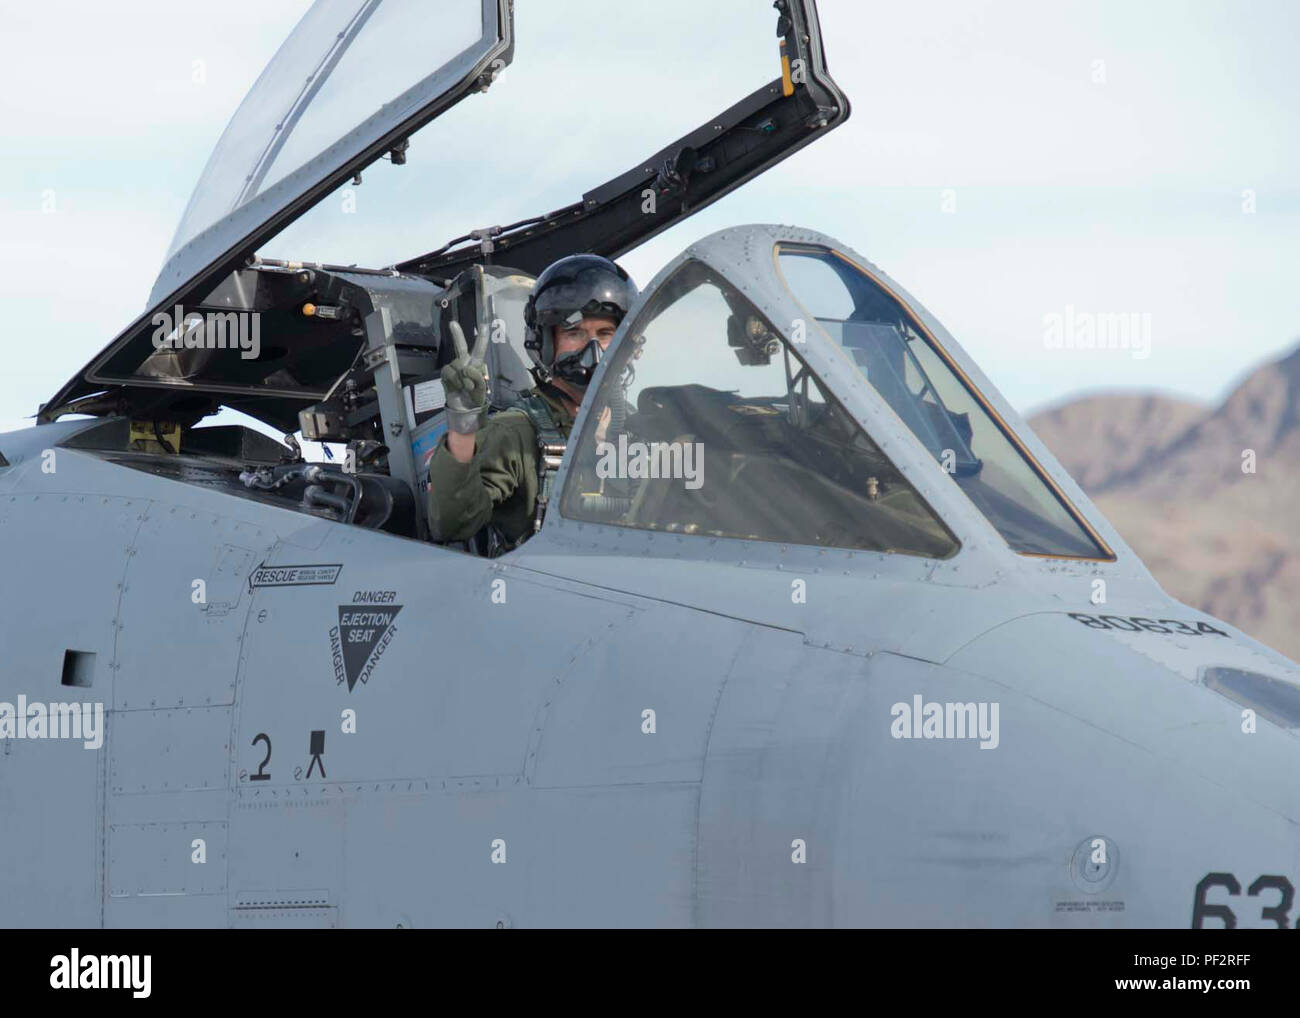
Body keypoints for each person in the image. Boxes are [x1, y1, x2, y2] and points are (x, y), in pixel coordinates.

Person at [427, 253, 636, 553]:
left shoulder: (642, 428)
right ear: (546, 342)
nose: (593, 349)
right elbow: (451, 523)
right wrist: (463, 423)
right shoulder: (515, 433)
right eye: (574, 332)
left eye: (605, 333)